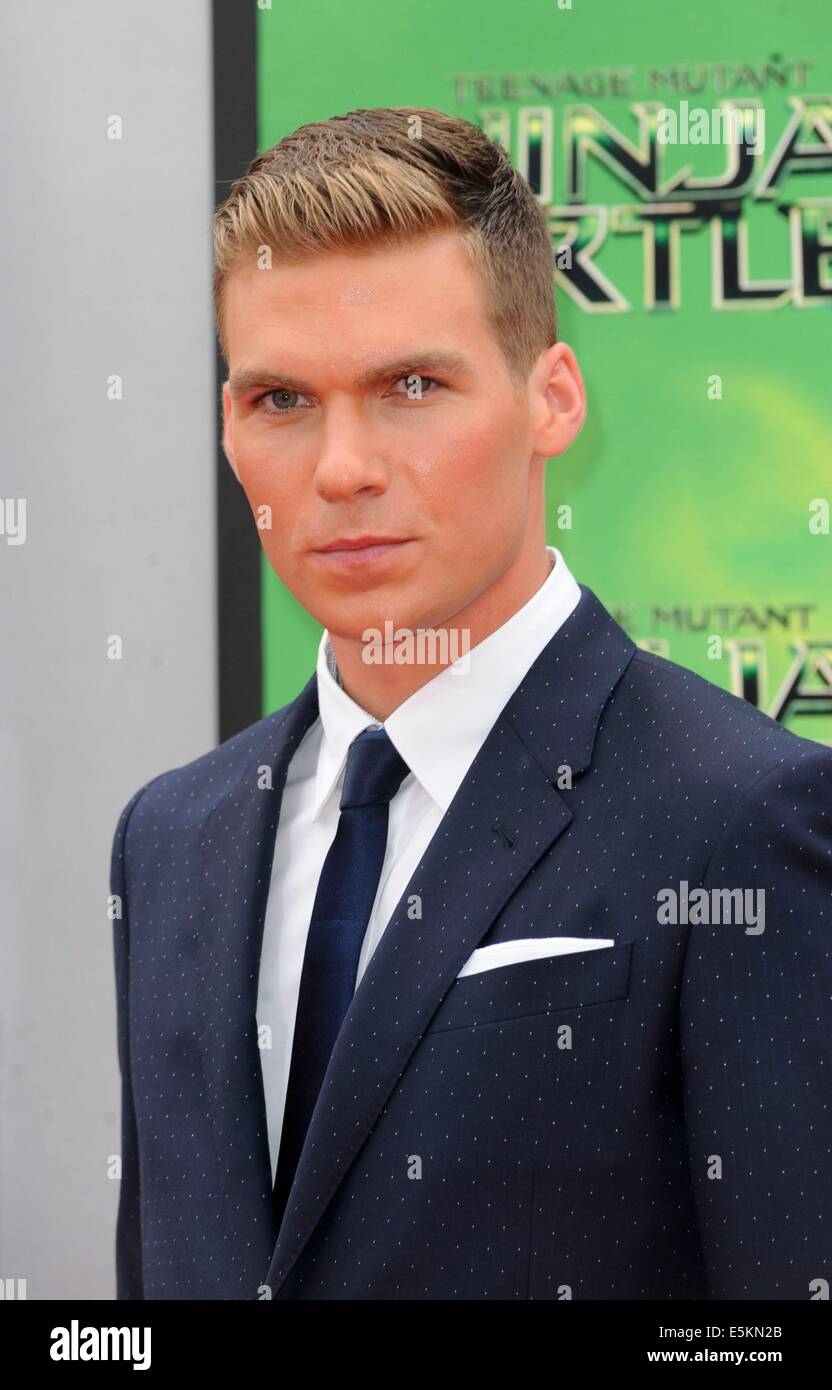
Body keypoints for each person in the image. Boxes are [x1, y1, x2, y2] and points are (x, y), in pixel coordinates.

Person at [111, 106, 832, 1301]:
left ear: (551, 398)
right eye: (279, 400)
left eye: (409, 384)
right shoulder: (171, 837)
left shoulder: (740, 815)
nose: (341, 467)